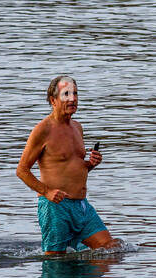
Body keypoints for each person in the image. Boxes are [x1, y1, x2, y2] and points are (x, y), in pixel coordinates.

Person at [16, 76, 115, 254]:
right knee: (56, 262)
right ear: (53, 100)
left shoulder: (77, 127)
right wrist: (47, 191)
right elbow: (22, 170)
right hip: (56, 208)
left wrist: (90, 164)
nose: (73, 99)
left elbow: (72, 166)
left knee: (111, 250)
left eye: (75, 94)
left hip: (82, 206)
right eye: (66, 94)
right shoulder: (43, 130)